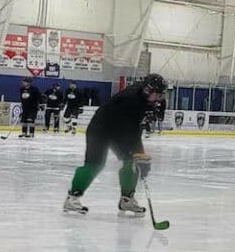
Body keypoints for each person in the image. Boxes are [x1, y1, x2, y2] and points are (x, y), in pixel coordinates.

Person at [64, 73, 168, 215]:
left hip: (120, 130)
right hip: (100, 128)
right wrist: (140, 154)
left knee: (130, 162)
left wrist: (139, 156)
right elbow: (131, 132)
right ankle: (72, 198)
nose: (160, 98)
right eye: (158, 94)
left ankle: (127, 200)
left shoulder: (147, 98)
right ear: (148, 90)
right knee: (95, 164)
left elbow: (135, 128)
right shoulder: (131, 100)